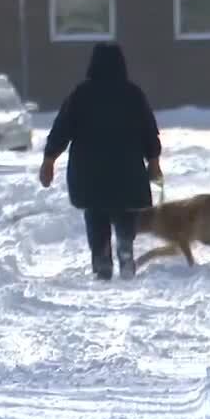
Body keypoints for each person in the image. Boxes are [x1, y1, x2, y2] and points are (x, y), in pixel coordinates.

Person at [39, 42, 162, 281]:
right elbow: (149, 131)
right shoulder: (133, 94)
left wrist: (49, 159)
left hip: (89, 172)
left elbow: (61, 129)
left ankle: (101, 258)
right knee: (126, 213)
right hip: (127, 170)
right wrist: (154, 161)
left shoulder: (81, 94)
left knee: (96, 215)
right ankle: (125, 250)